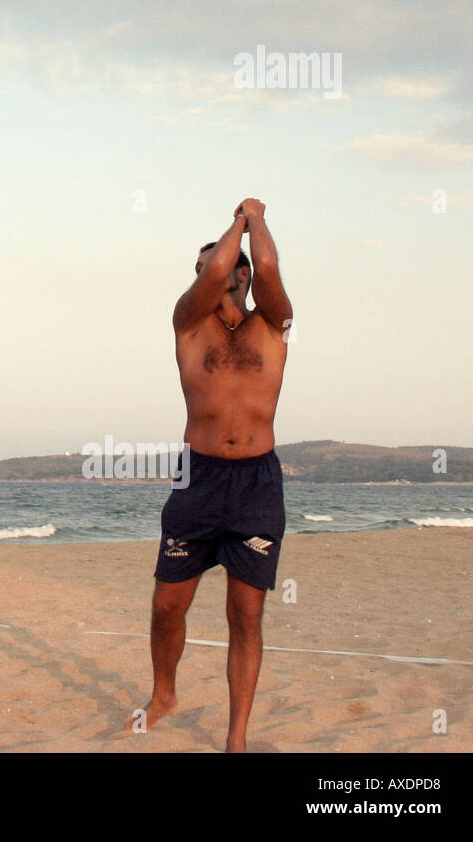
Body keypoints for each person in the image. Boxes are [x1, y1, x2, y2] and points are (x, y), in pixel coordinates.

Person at [136, 198, 292, 752]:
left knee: (244, 616)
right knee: (166, 605)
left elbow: (267, 269)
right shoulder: (187, 324)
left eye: (237, 264)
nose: (231, 268)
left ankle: (237, 734)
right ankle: (164, 695)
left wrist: (256, 217)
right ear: (202, 275)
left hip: (257, 484)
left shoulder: (273, 327)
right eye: (218, 264)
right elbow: (221, 268)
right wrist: (236, 225)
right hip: (197, 479)